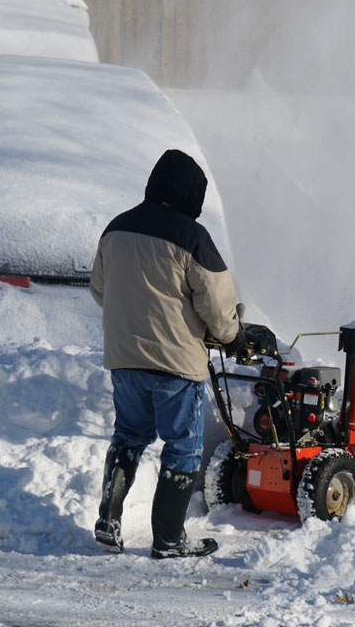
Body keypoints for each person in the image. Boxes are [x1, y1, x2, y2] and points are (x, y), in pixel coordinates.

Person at [89, 149, 242, 559]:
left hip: (124, 359)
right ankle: (170, 540)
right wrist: (230, 334)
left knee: (128, 436)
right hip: (175, 363)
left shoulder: (116, 228)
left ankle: (108, 520)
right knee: (182, 446)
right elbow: (216, 305)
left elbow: (100, 290)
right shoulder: (192, 237)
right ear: (191, 194)